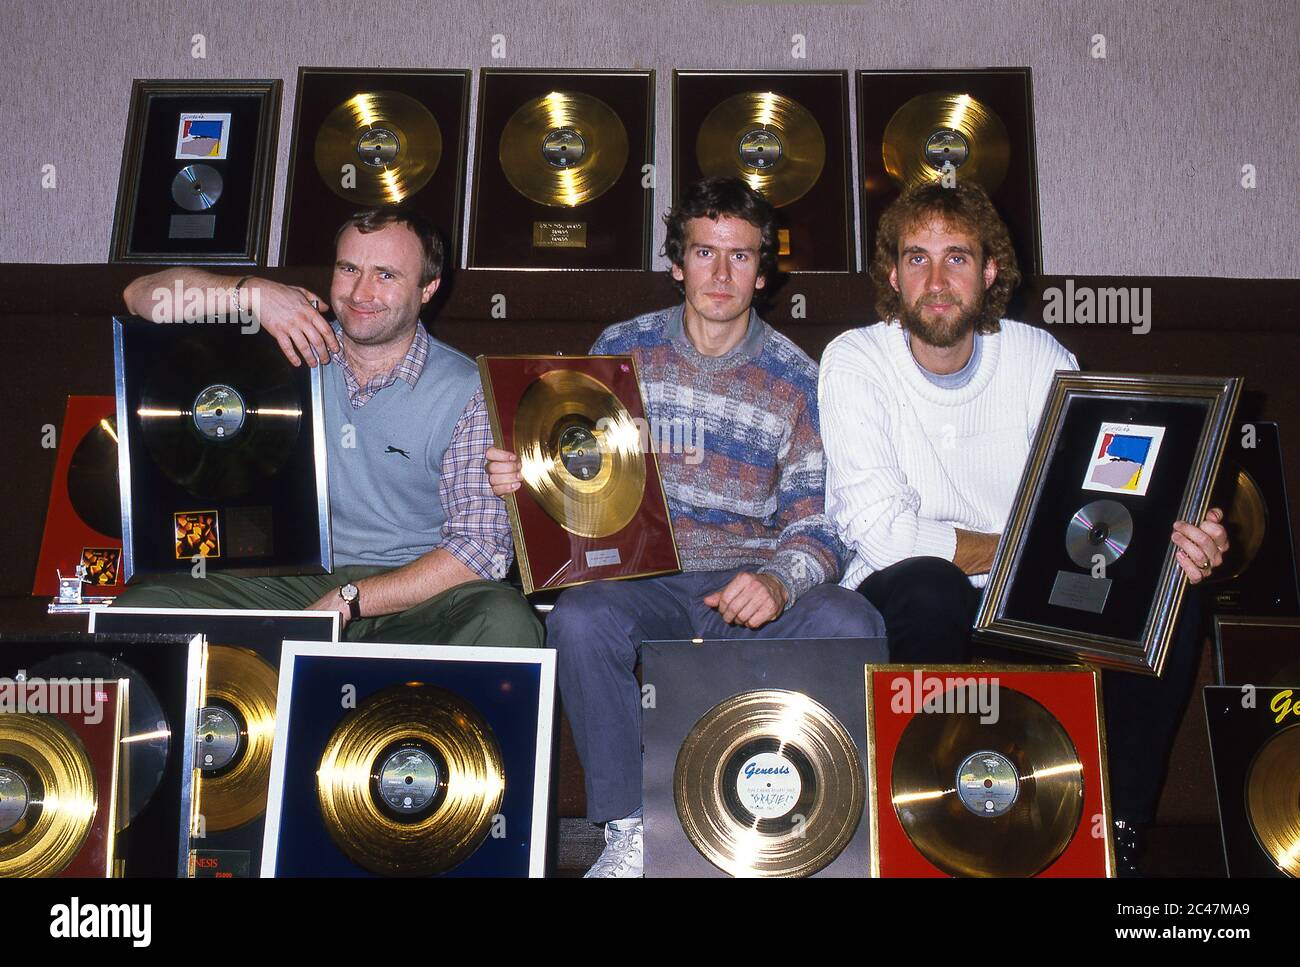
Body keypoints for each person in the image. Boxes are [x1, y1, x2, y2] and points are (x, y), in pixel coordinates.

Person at [819, 181, 1228, 872]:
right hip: (904, 593)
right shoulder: (855, 358)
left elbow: (1095, 503)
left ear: (989, 271)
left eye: (958, 257)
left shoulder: (1040, 356)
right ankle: (935, 831)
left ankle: (1116, 832)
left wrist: (1178, 536)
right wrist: (1029, 547)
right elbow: (887, 538)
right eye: (917, 258)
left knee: (1173, 588)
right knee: (931, 581)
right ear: (892, 274)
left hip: (1028, 598)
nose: (937, 279)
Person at [486, 177, 886, 877]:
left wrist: (777, 580)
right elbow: (578, 477)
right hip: (643, 579)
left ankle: (826, 827)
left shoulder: (796, 377)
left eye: (740, 256)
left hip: (747, 574)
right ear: (677, 263)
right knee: (578, 620)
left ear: (764, 272)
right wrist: (525, 480)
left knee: (853, 618)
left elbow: (821, 522)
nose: (721, 273)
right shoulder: (622, 346)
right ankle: (628, 828)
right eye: (704, 253)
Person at [116, 207, 543, 648]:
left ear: (428, 288)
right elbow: (139, 296)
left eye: (386, 275)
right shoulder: (287, 342)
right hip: (290, 579)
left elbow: (480, 551)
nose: (361, 292)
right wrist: (252, 293)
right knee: (142, 610)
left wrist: (353, 598)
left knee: (505, 621)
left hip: (418, 590)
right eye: (349, 268)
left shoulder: (469, 389)